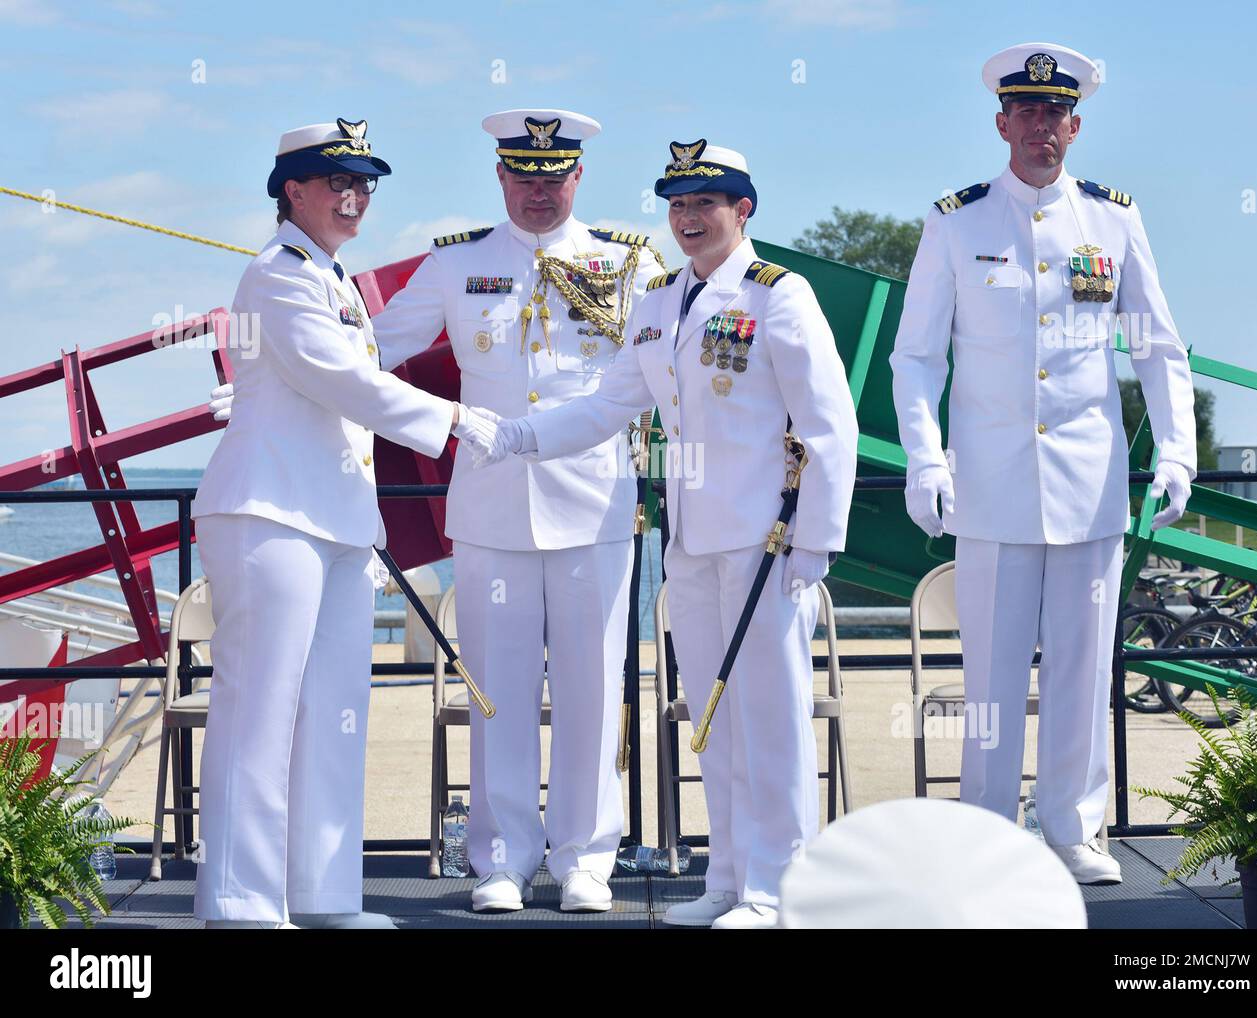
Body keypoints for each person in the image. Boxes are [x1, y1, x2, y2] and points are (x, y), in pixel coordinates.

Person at [478, 141, 858, 928]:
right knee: (714, 719)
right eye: (678, 205)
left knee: (772, 719)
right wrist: (517, 437)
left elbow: (832, 426)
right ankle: (727, 878)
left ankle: (778, 889)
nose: (688, 219)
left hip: (765, 547)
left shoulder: (779, 297)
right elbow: (605, 408)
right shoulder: (655, 303)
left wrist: (818, 543)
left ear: (742, 210)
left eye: (705, 205)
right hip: (689, 545)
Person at [889, 43, 1197, 884]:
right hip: (988, 487)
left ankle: (1072, 828)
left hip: (1090, 485)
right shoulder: (957, 220)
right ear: (1001, 122)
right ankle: (987, 833)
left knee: (1082, 663)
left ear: (1075, 125)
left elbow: (1157, 346)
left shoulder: (1114, 219)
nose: (1039, 127)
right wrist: (926, 459)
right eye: (1024, 111)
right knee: (988, 675)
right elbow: (915, 357)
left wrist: (1177, 449)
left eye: (1053, 113)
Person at [192, 119, 497, 929]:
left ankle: (324, 898)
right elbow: (340, 380)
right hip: (268, 513)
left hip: (333, 521)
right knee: (259, 714)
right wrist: (457, 420)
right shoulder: (280, 275)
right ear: (292, 191)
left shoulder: (330, 280)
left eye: (365, 182)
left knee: (333, 713)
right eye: (338, 181)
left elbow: (347, 375)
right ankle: (240, 903)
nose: (356, 195)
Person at [371, 109, 663, 913]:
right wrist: (276, 378)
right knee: (495, 687)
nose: (539, 192)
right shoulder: (455, 263)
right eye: (524, 177)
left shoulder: (627, 263)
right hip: (492, 505)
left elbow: (660, 368)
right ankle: (500, 858)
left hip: (594, 501)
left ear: (579, 178)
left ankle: (585, 859)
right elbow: (373, 350)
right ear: (501, 178)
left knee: (592, 689)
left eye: (555, 176)